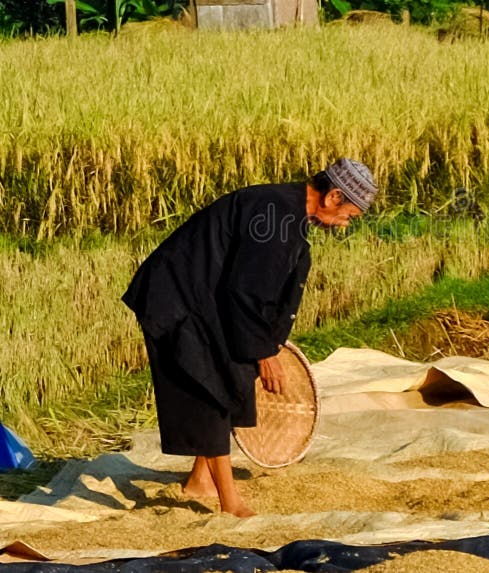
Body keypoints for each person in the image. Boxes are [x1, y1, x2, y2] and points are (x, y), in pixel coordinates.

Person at [122, 158, 377, 517]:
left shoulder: (288, 213)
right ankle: (231, 503)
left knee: (228, 373)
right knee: (208, 384)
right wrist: (263, 354)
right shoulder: (274, 218)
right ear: (334, 196)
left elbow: (267, 288)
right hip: (176, 296)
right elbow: (245, 292)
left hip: (205, 295)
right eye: (349, 214)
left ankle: (200, 481)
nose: (346, 223)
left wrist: (268, 343)